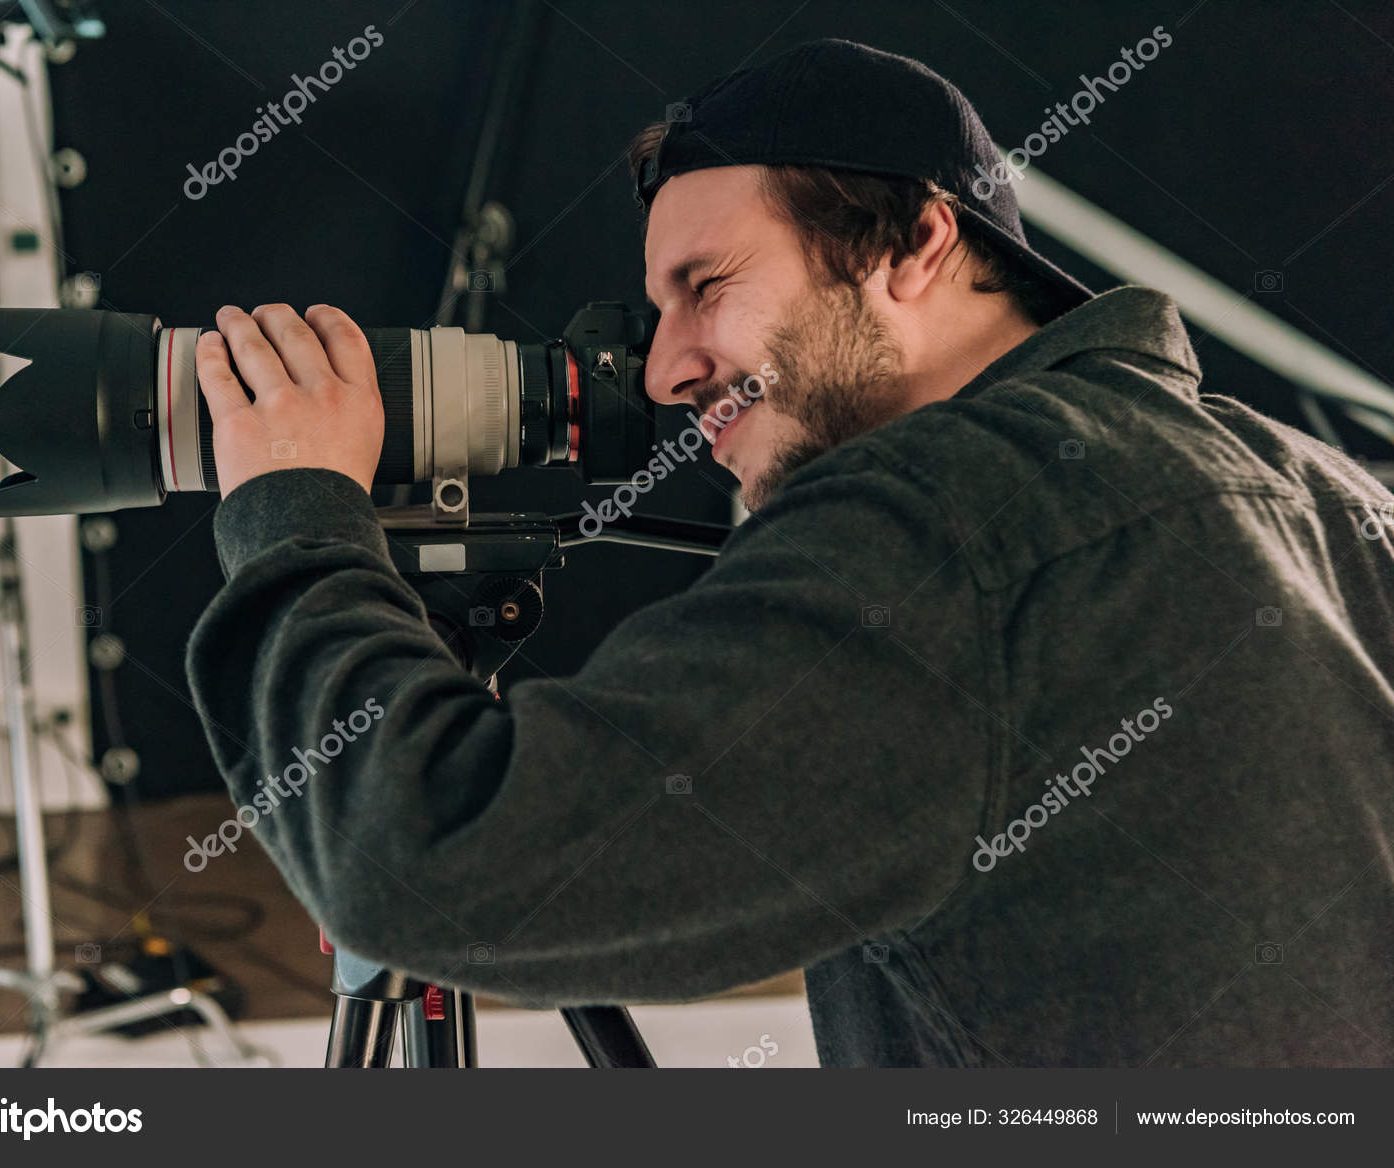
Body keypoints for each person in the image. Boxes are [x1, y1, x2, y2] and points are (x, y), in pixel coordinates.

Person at [184, 39, 1394, 1066]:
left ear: (914, 245)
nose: (664, 369)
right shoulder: (1321, 492)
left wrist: (295, 502)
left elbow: (420, 867)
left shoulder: (946, 515)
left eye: (705, 285)